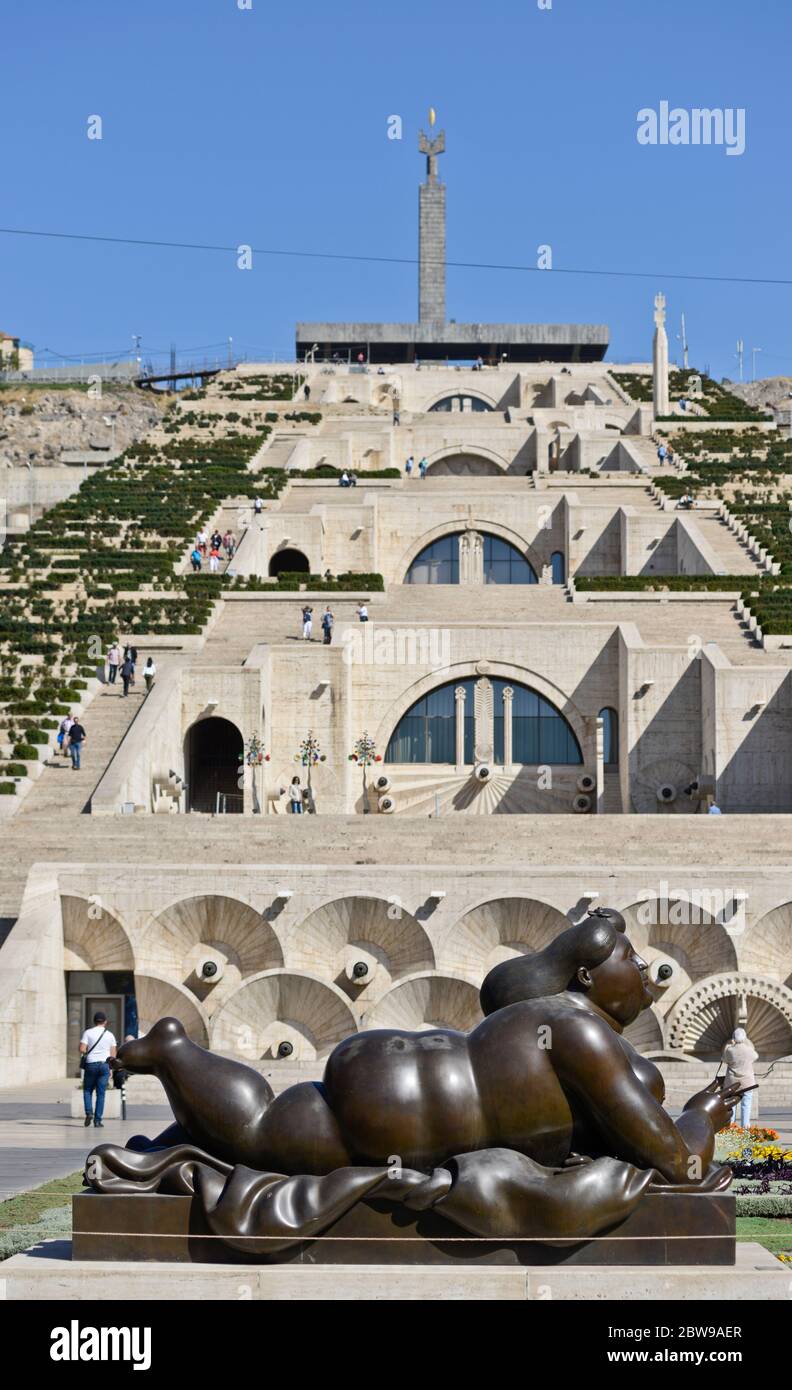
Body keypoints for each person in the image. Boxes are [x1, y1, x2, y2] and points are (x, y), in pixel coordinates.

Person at [80, 1011, 117, 1128]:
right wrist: (111, 1069)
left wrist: (88, 1051)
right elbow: (113, 1054)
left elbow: (82, 1049)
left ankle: (89, 1112)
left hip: (91, 1064)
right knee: (101, 1094)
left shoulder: (88, 1033)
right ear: (105, 1022)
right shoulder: (110, 1035)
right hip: (104, 1065)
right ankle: (97, 1121)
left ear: (94, 1021)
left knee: (87, 1090)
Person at [722, 1027, 758, 1129]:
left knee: (731, 1107)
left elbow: (724, 1060)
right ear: (745, 1038)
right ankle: (745, 1130)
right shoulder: (749, 1050)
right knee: (746, 1107)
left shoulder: (729, 1050)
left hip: (732, 1083)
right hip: (747, 1083)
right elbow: (755, 1057)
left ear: (733, 1038)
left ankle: (731, 1129)